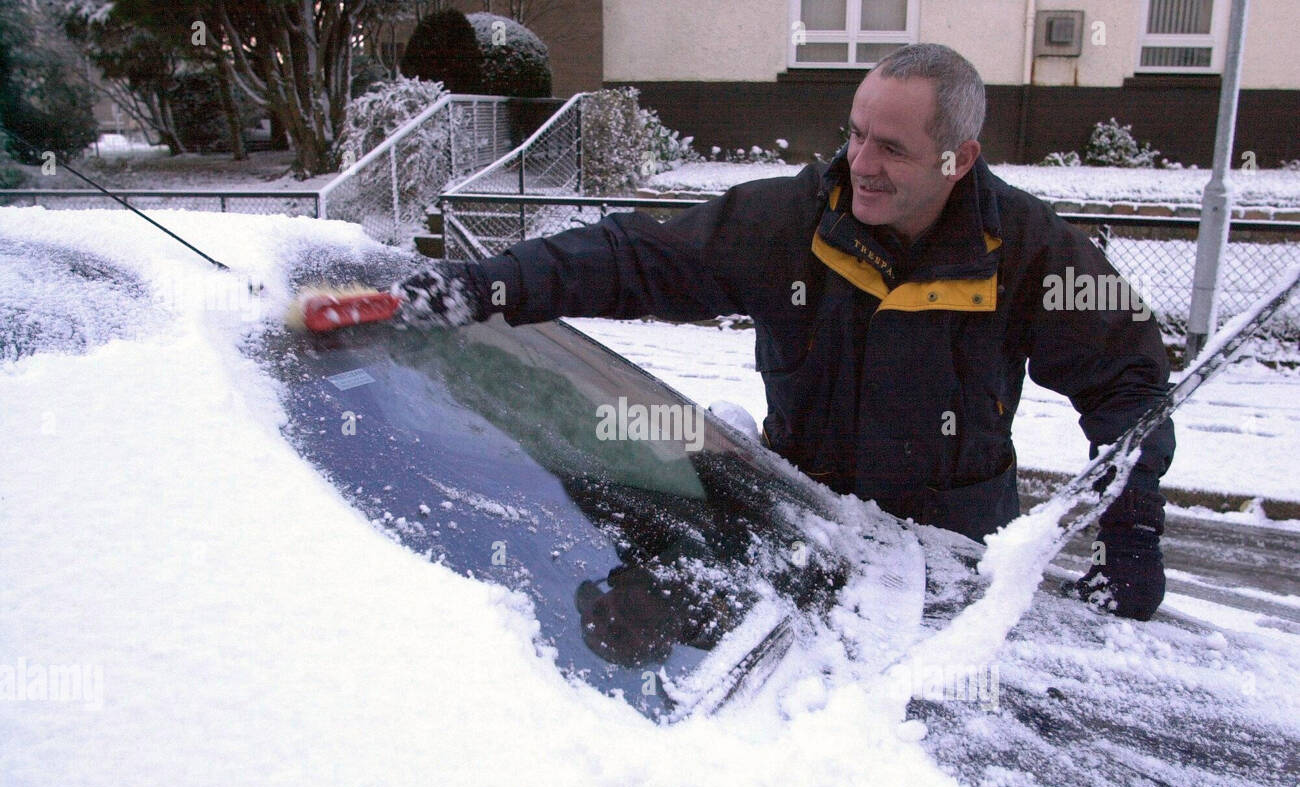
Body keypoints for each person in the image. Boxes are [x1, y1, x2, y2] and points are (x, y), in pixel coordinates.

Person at [327, 43, 1174, 622]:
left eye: (892, 148)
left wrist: (1132, 532)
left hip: (952, 559)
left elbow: (1128, 377)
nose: (861, 163)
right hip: (804, 535)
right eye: (854, 133)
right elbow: (634, 257)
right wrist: (487, 284)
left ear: (958, 156)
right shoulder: (791, 223)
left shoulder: (1022, 248)